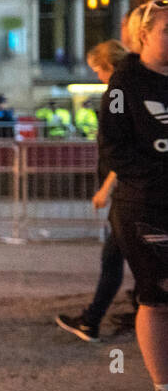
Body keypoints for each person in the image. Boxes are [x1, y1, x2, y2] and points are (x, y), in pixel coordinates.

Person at [98, 0, 168, 391]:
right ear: (143, 36)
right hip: (147, 206)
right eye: (167, 31)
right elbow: (113, 149)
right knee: (158, 296)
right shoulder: (124, 84)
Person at [57, 40, 131, 342]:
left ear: (110, 67)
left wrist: (104, 189)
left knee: (114, 259)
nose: (98, 77)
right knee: (126, 258)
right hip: (131, 192)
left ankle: (92, 321)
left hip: (130, 194)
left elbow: (126, 149)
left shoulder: (120, 94)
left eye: (98, 70)